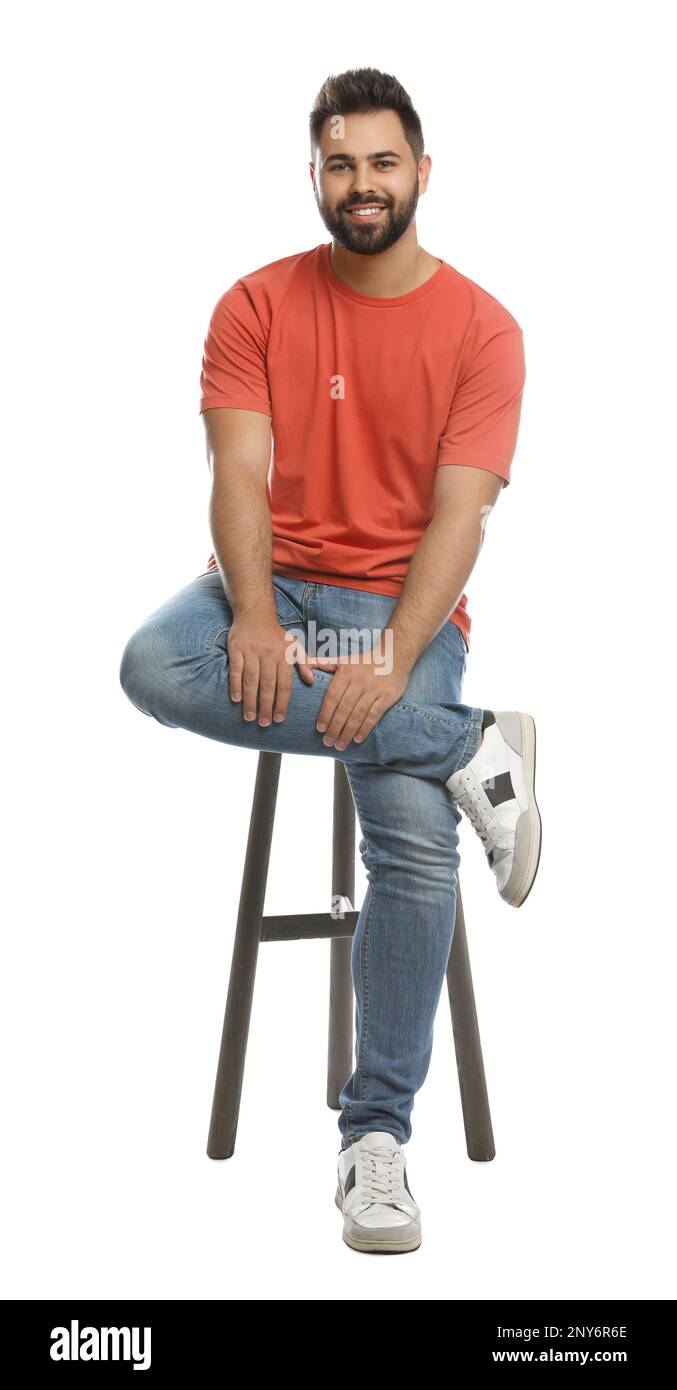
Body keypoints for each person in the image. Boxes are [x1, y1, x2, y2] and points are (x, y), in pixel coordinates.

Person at [119, 66, 541, 1255]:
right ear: (315, 175)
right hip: (275, 583)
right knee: (154, 663)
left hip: (404, 605)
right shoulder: (255, 303)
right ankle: (470, 748)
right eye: (339, 164)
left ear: (421, 171)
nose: (361, 185)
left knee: (408, 834)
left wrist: (394, 658)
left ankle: (376, 1142)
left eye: (381, 162)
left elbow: (459, 520)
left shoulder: (480, 328)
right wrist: (253, 617)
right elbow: (236, 476)